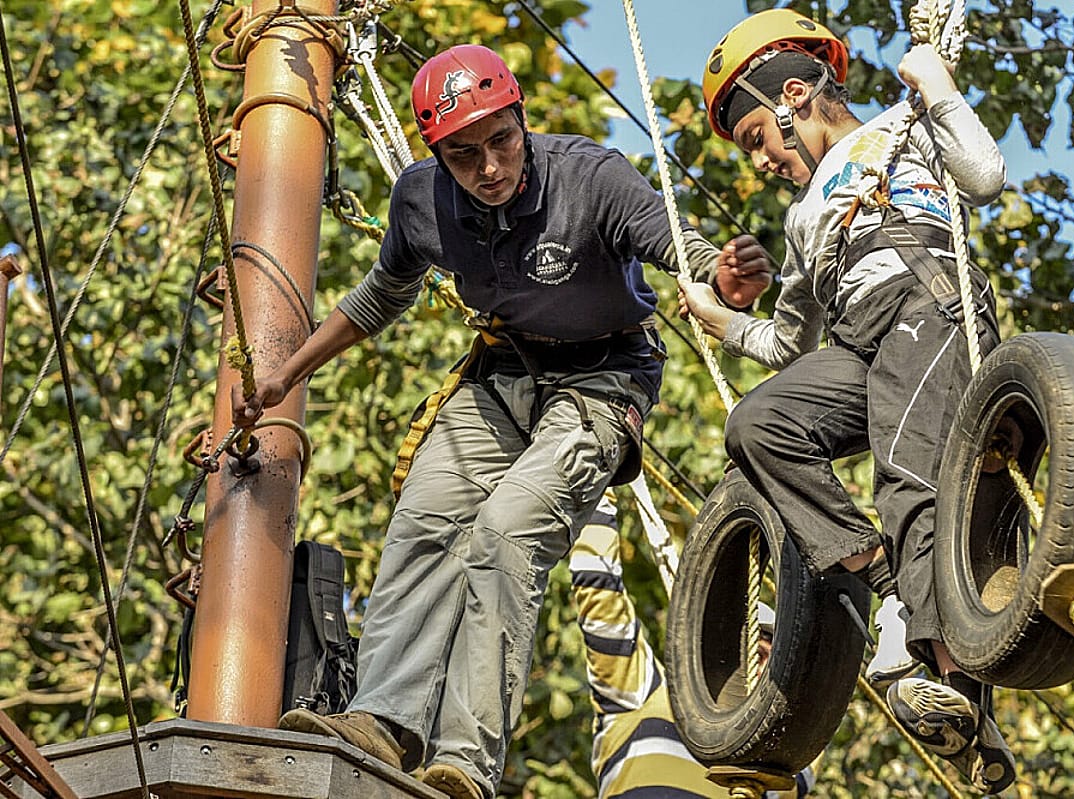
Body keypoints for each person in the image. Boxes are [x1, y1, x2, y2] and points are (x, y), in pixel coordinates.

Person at [231, 44, 771, 799]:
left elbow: (677, 245)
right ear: (436, 156)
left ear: (522, 120)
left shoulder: (590, 178)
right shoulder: (421, 202)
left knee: (506, 533)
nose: (489, 167)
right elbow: (381, 294)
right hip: (502, 371)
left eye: (502, 141)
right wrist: (287, 372)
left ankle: (466, 758)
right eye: (463, 154)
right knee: (425, 519)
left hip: (602, 378)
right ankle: (384, 720)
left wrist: (725, 276)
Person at [678, 9, 1017, 795]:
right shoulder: (802, 218)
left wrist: (938, 86)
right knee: (759, 424)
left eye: (756, 137)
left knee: (910, 479)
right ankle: (886, 578)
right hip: (860, 343)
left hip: (929, 303)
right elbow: (788, 345)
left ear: (794, 97)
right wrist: (724, 321)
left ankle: (955, 686)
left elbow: (985, 176)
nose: (759, 160)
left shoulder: (902, 129)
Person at [569, 496, 814, 798]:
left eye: (772, 663)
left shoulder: (771, 761)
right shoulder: (643, 691)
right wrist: (598, 494)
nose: (762, 670)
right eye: (757, 653)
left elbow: (821, 697)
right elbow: (598, 588)